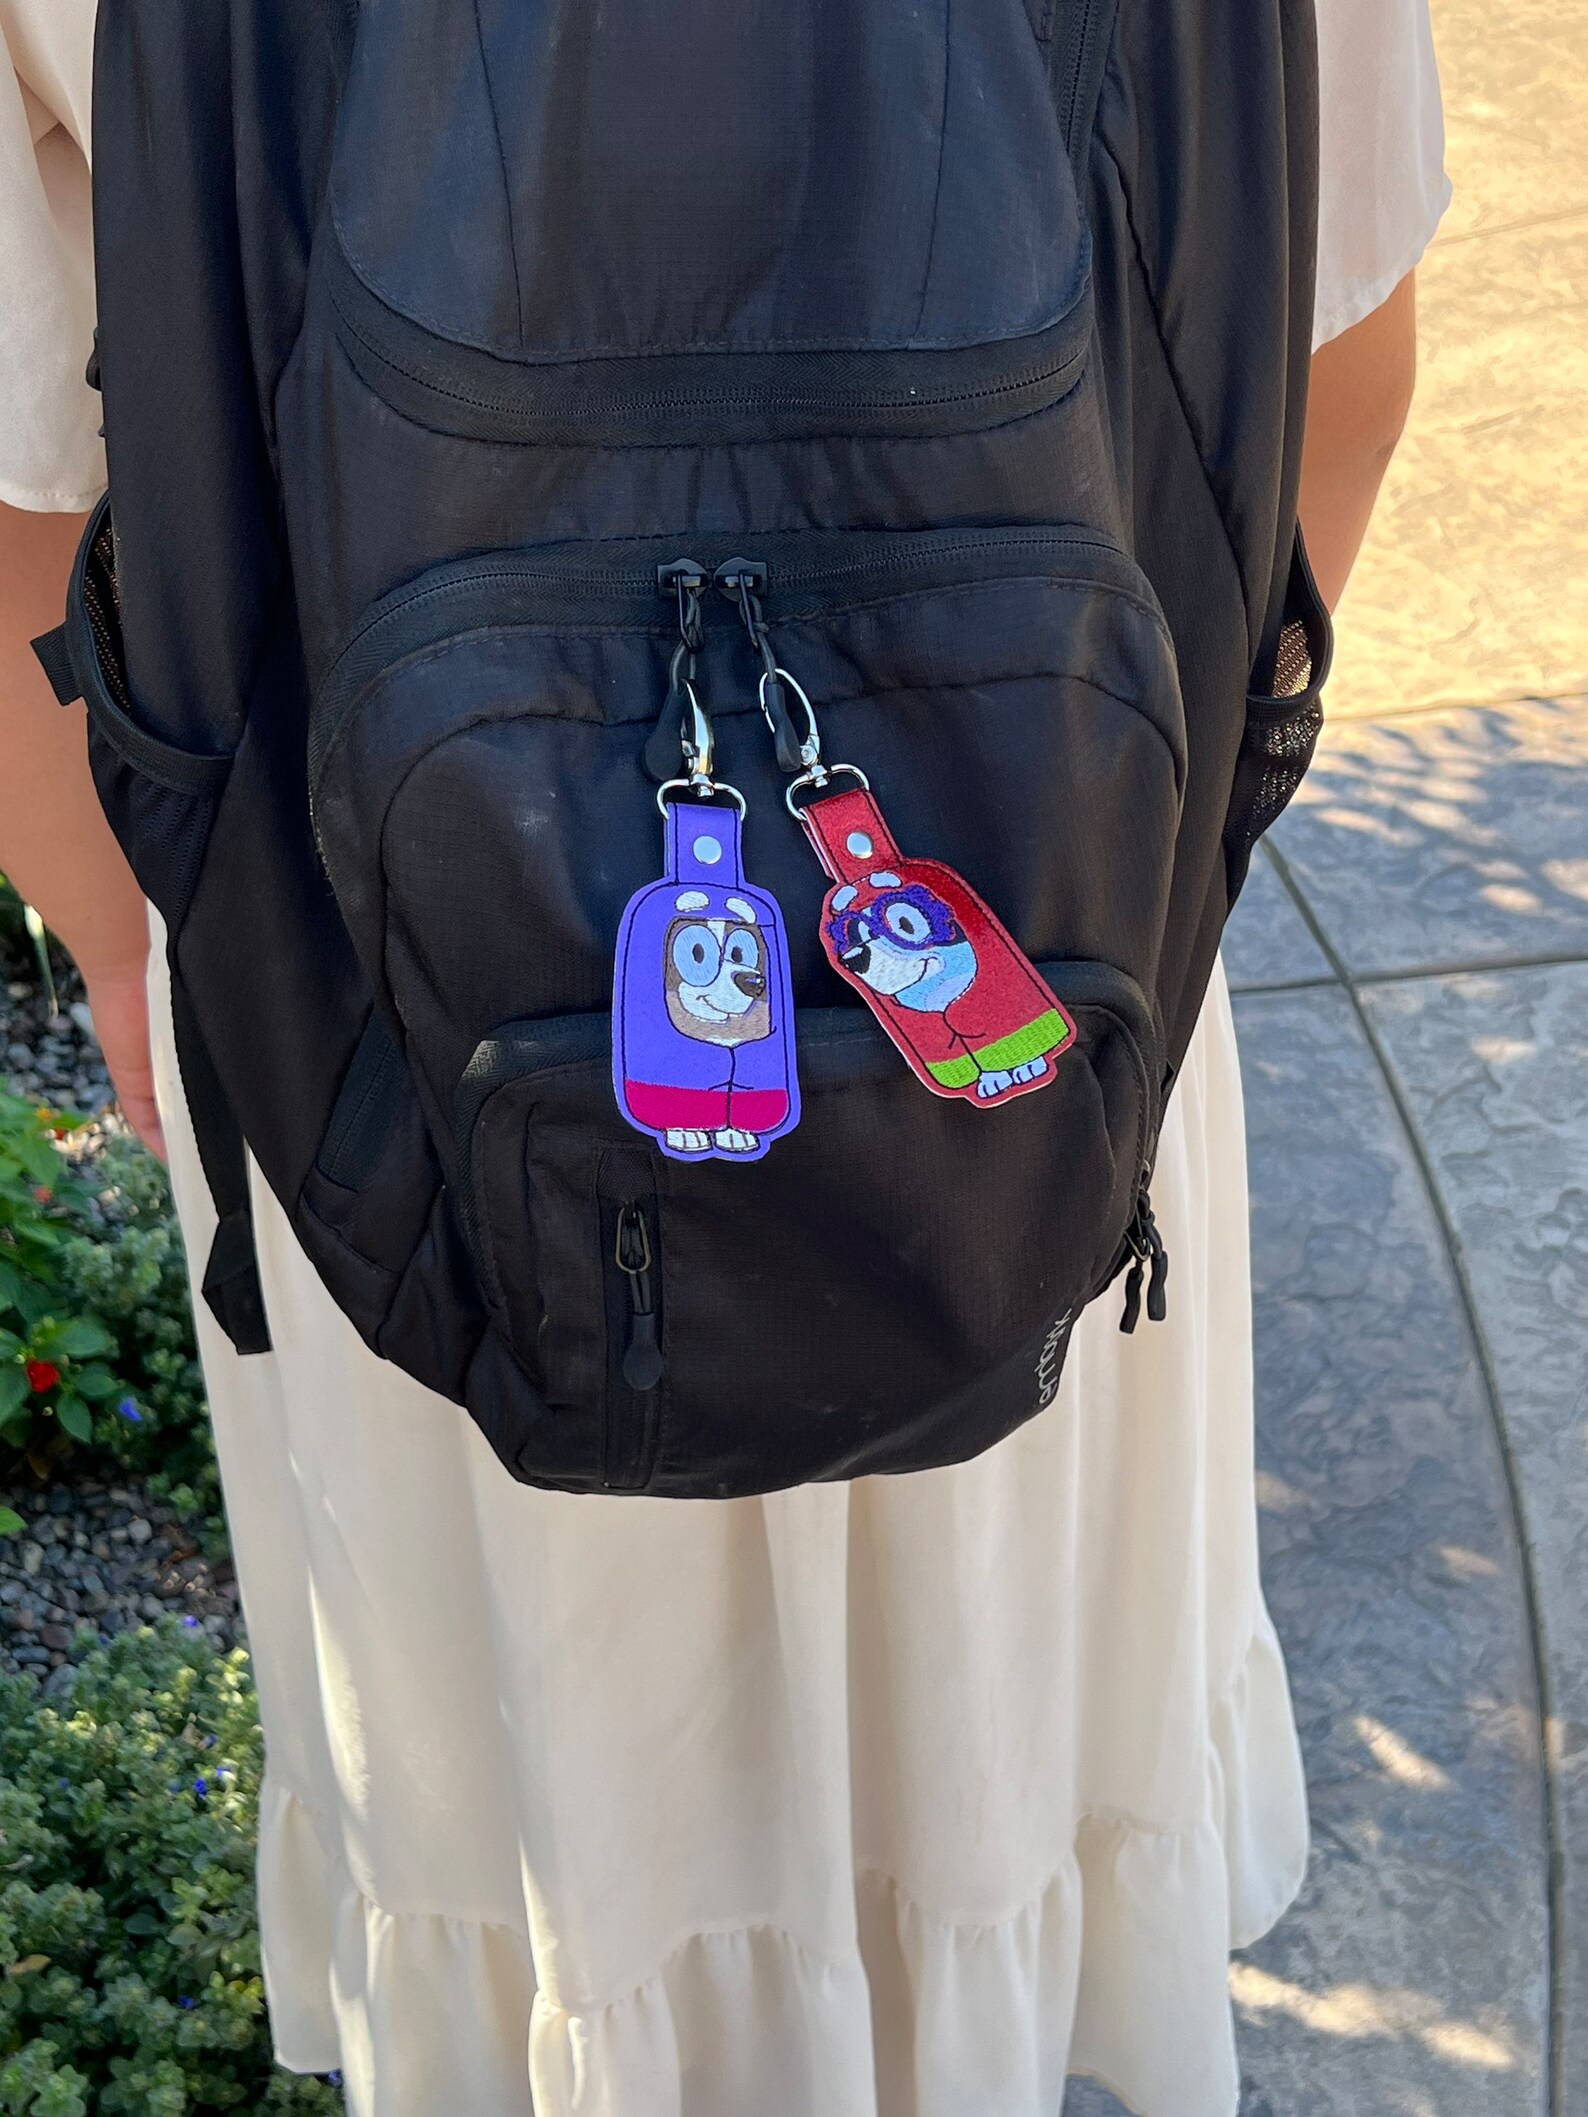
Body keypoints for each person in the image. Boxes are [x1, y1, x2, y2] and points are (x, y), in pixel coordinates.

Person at [0, 2, 1448, 2111]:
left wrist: (132, 946)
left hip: (391, 1042)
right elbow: (1341, 349)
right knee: (990, 1776)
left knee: (569, 1844)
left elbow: (27, 500)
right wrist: (1144, 855)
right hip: (1017, 1003)